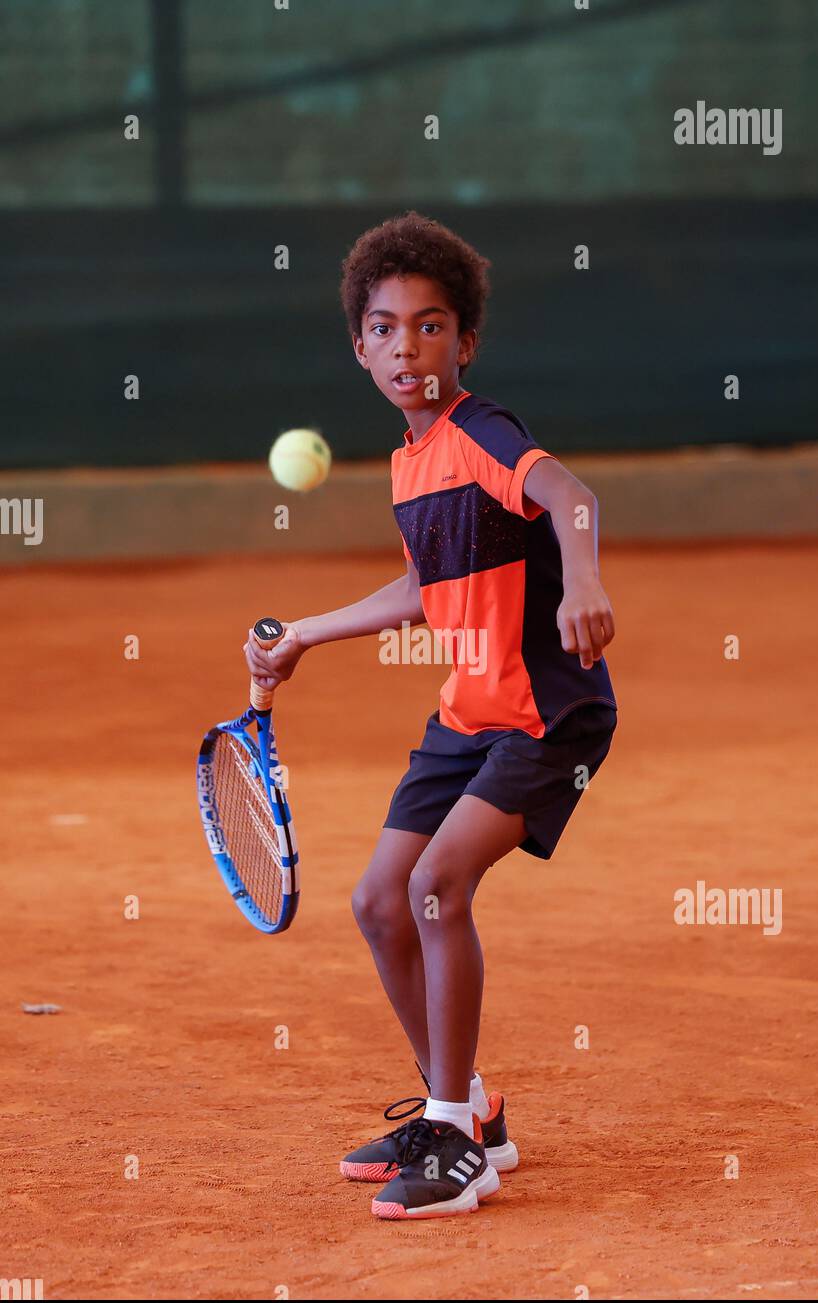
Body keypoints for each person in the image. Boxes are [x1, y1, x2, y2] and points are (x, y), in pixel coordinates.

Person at [244, 210, 617, 1220]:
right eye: (385, 328)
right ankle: (466, 1110)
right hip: (467, 713)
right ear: (357, 346)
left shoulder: (480, 431)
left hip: (547, 712)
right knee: (378, 901)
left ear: (464, 343)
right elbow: (419, 586)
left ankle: (452, 1134)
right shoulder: (410, 466)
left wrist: (579, 583)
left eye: (430, 326)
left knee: (436, 884)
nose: (407, 348)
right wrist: (303, 634)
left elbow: (570, 495)